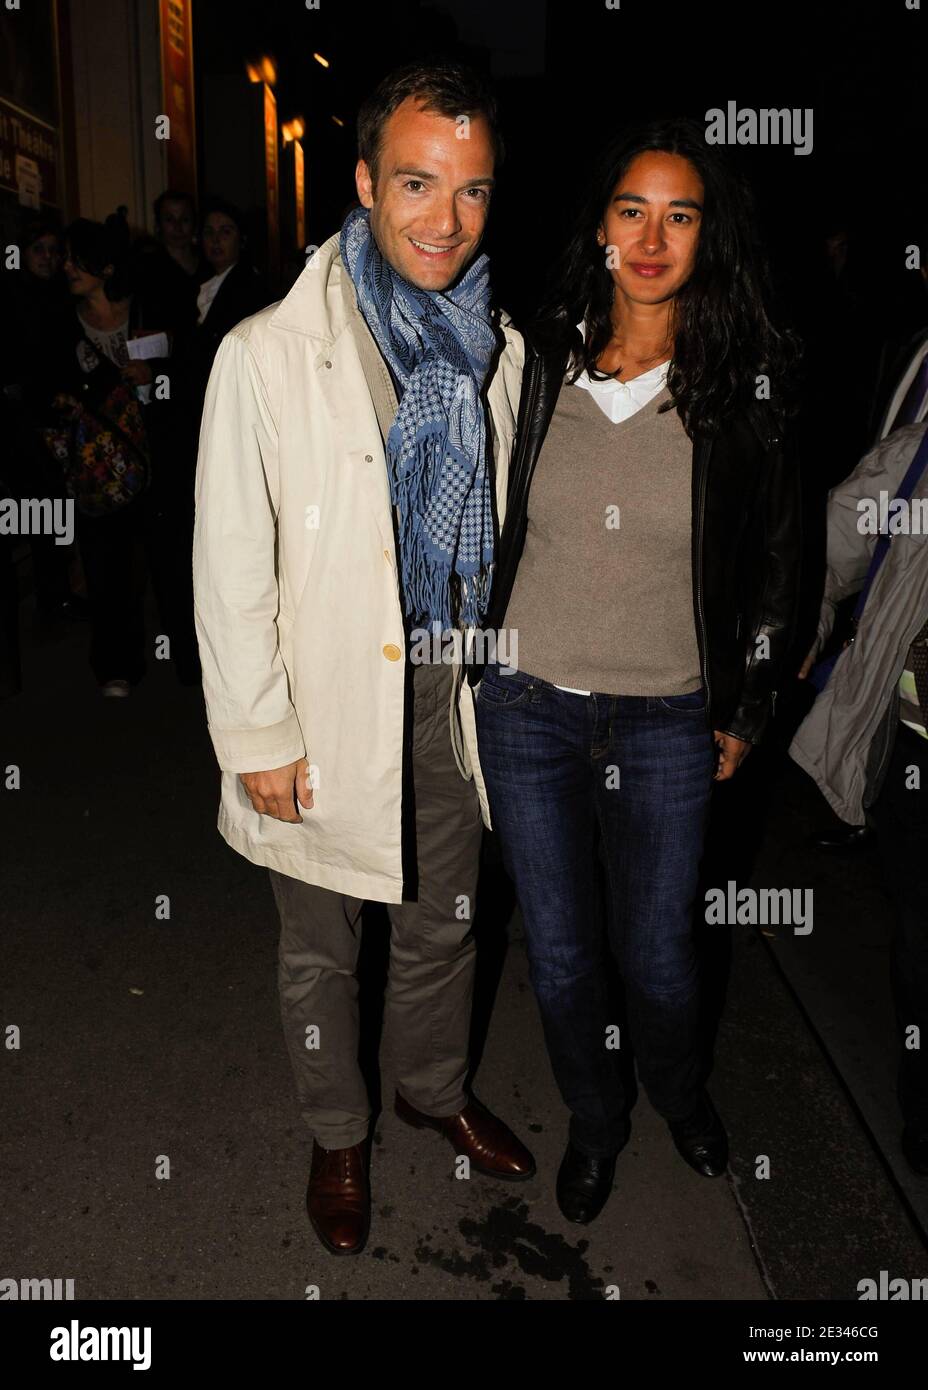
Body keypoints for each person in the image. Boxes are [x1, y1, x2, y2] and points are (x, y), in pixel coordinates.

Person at [193, 61, 532, 1258]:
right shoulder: (263, 356)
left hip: (445, 691)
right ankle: (339, 1130)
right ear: (363, 184)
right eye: (417, 184)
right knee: (320, 945)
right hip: (325, 698)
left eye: (473, 191)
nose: (446, 220)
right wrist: (259, 736)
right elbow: (230, 565)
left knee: (446, 921)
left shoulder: (501, 350)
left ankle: (428, 1089)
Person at [469, 118, 802, 1224]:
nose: (652, 237)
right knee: (561, 959)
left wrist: (748, 708)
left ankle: (677, 1088)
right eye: (631, 209)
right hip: (530, 707)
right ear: (598, 224)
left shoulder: (743, 383)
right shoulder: (530, 360)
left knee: (658, 960)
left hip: (668, 714)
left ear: (710, 236)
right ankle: (597, 1120)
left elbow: (775, 563)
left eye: (681, 213)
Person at [791, 419, 928, 1176]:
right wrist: (799, 632)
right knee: (922, 945)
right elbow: (829, 549)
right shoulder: (916, 457)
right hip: (914, 756)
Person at [44, 214, 199, 694]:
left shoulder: (150, 311)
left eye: (77, 257)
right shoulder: (58, 322)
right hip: (97, 469)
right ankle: (117, 666)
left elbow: (193, 372)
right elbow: (43, 386)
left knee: (174, 566)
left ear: (107, 267)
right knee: (106, 568)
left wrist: (155, 376)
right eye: (64, 258)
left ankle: (193, 665)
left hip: (156, 461)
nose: (66, 266)